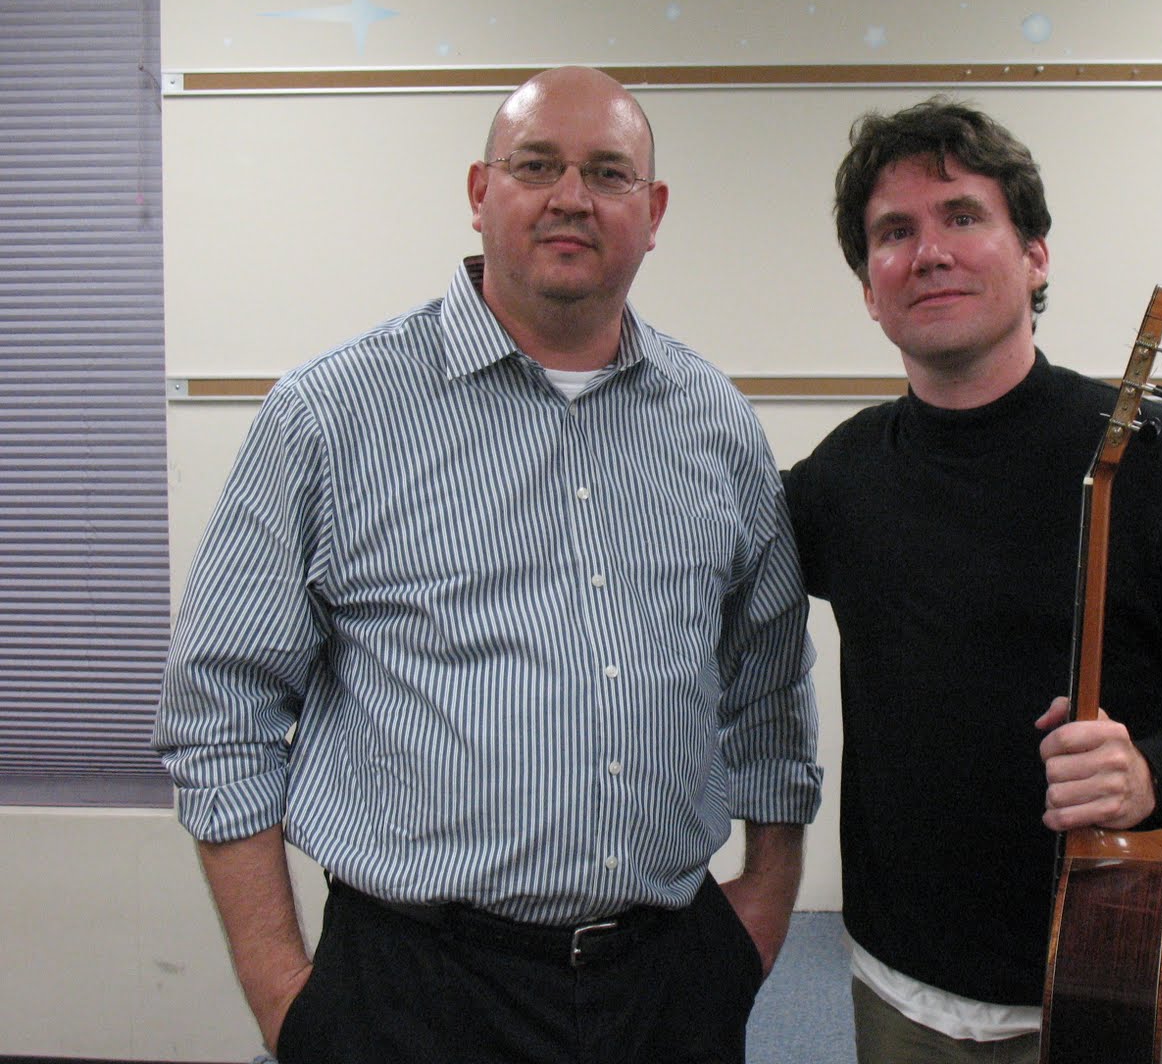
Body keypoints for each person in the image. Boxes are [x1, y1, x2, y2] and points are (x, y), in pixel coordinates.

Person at [153, 66, 822, 1064]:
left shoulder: (714, 424)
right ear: (479, 192)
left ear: (654, 210)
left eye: (608, 173)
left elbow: (765, 687)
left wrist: (758, 913)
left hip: (667, 985)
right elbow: (218, 710)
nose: (569, 197)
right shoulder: (330, 418)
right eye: (535, 166)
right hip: (411, 994)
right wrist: (283, 993)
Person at [783, 98, 1162, 1064]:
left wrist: (1153, 771)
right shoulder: (843, 476)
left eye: (962, 216)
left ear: (1035, 255)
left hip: (1115, 994)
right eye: (894, 233)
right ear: (869, 287)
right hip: (902, 993)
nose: (929, 251)